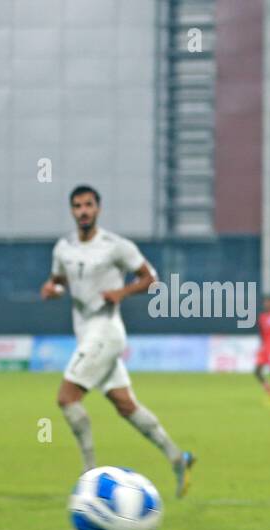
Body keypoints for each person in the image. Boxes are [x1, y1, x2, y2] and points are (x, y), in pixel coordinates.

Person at [40, 185, 196, 496]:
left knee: (66, 398)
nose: (83, 211)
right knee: (125, 405)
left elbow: (150, 277)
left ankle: (89, 477)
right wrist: (52, 290)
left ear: (98, 209)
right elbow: (58, 281)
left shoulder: (116, 246)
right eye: (77, 206)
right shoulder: (63, 248)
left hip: (107, 330)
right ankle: (178, 457)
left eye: (88, 205)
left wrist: (121, 293)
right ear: (72, 210)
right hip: (86, 334)